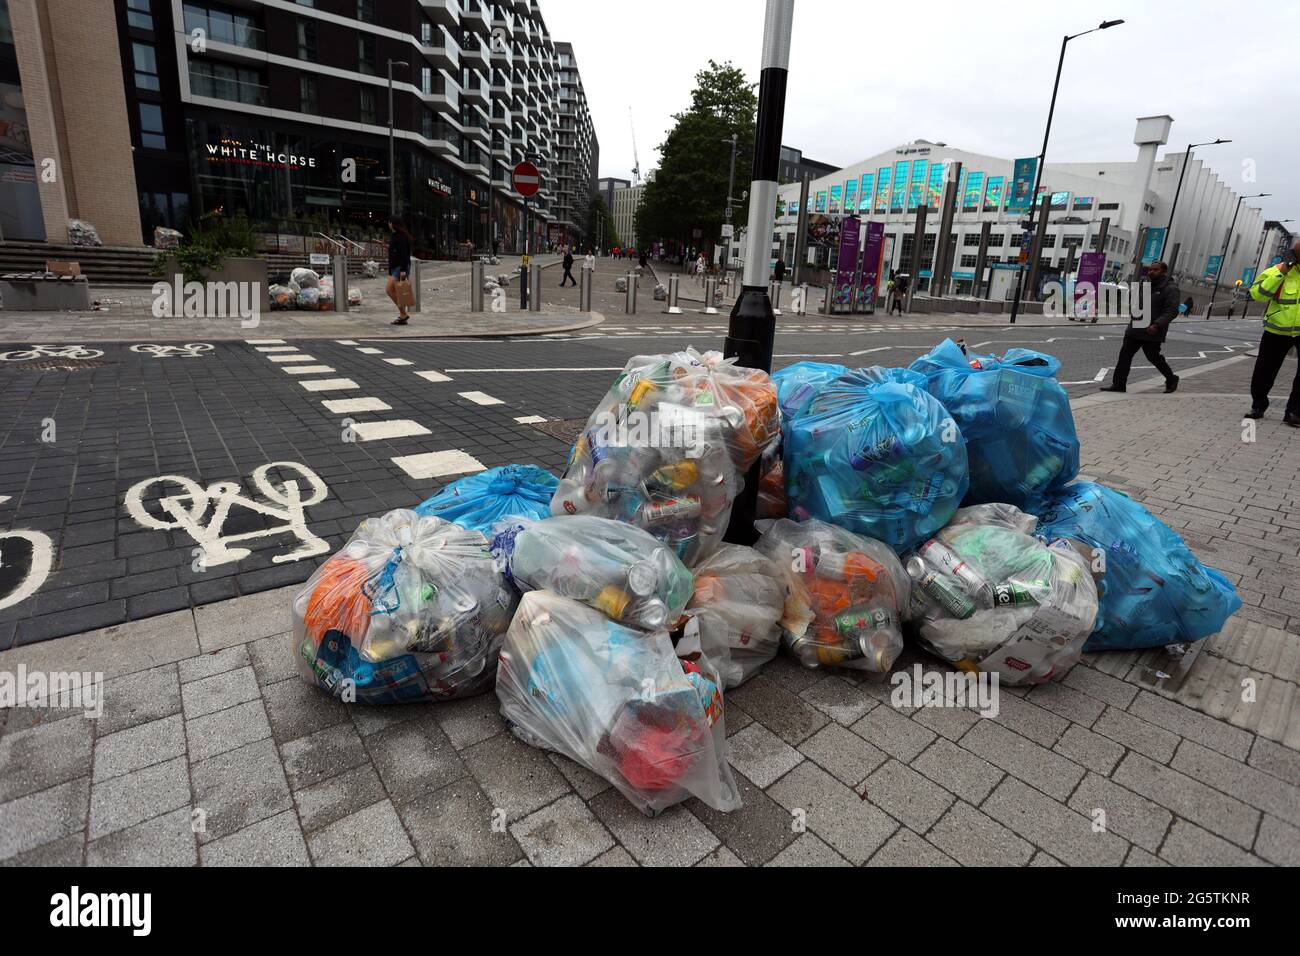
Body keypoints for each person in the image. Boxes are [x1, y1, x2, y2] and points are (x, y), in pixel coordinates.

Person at [1099, 260, 1181, 394]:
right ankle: (1119, 384)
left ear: (1164, 272)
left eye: (1155, 270)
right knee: (1125, 355)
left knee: (1153, 357)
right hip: (1136, 327)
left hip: (1153, 330)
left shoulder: (1171, 289)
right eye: (1150, 269)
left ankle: (1171, 378)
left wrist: (1157, 324)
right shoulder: (1145, 284)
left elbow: (1171, 311)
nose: (1151, 272)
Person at [1245, 238, 1300, 425]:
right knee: (1264, 371)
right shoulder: (1277, 270)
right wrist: (1283, 271)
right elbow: (1257, 294)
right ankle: (1258, 405)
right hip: (1276, 330)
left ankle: (1294, 412)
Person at [386, 216, 413, 326]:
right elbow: (395, 250)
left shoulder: (401, 236)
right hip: (395, 266)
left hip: (399, 267)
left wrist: (403, 270)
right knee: (395, 291)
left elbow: (404, 254)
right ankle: (403, 315)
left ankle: (403, 314)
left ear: (393, 223)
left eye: (389, 222)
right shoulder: (395, 235)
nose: (388, 224)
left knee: (389, 289)